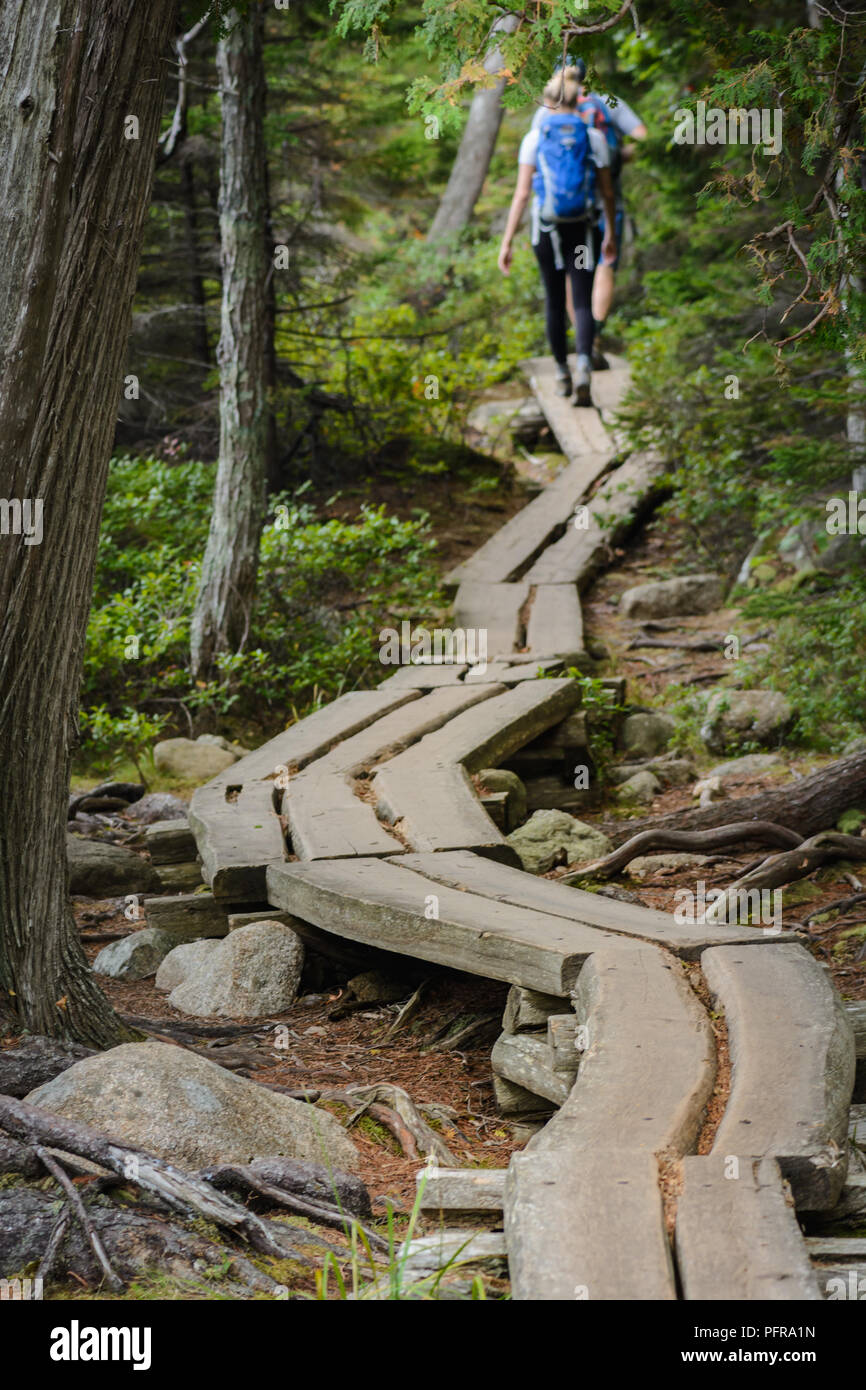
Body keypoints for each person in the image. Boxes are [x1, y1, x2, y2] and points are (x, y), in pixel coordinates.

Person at [498, 72, 617, 407]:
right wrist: (609, 232)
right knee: (580, 298)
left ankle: (562, 374)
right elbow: (606, 192)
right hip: (581, 232)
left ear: (547, 101)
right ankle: (583, 369)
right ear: (578, 99)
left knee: (553, 299)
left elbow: (522, 195)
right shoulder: (593, 137)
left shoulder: (535, 138)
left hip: (546, 231)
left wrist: (506, 242)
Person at [527, 61, 647, 365]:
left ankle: (585, 342)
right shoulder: (607, 103)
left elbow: (535, 161)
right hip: (603, 206)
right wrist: (619, 155)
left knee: (572, 274)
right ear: (587, 77)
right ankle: (593, 336)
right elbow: (644, 137)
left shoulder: (546, 110)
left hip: (560, 213)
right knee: (603, 266)